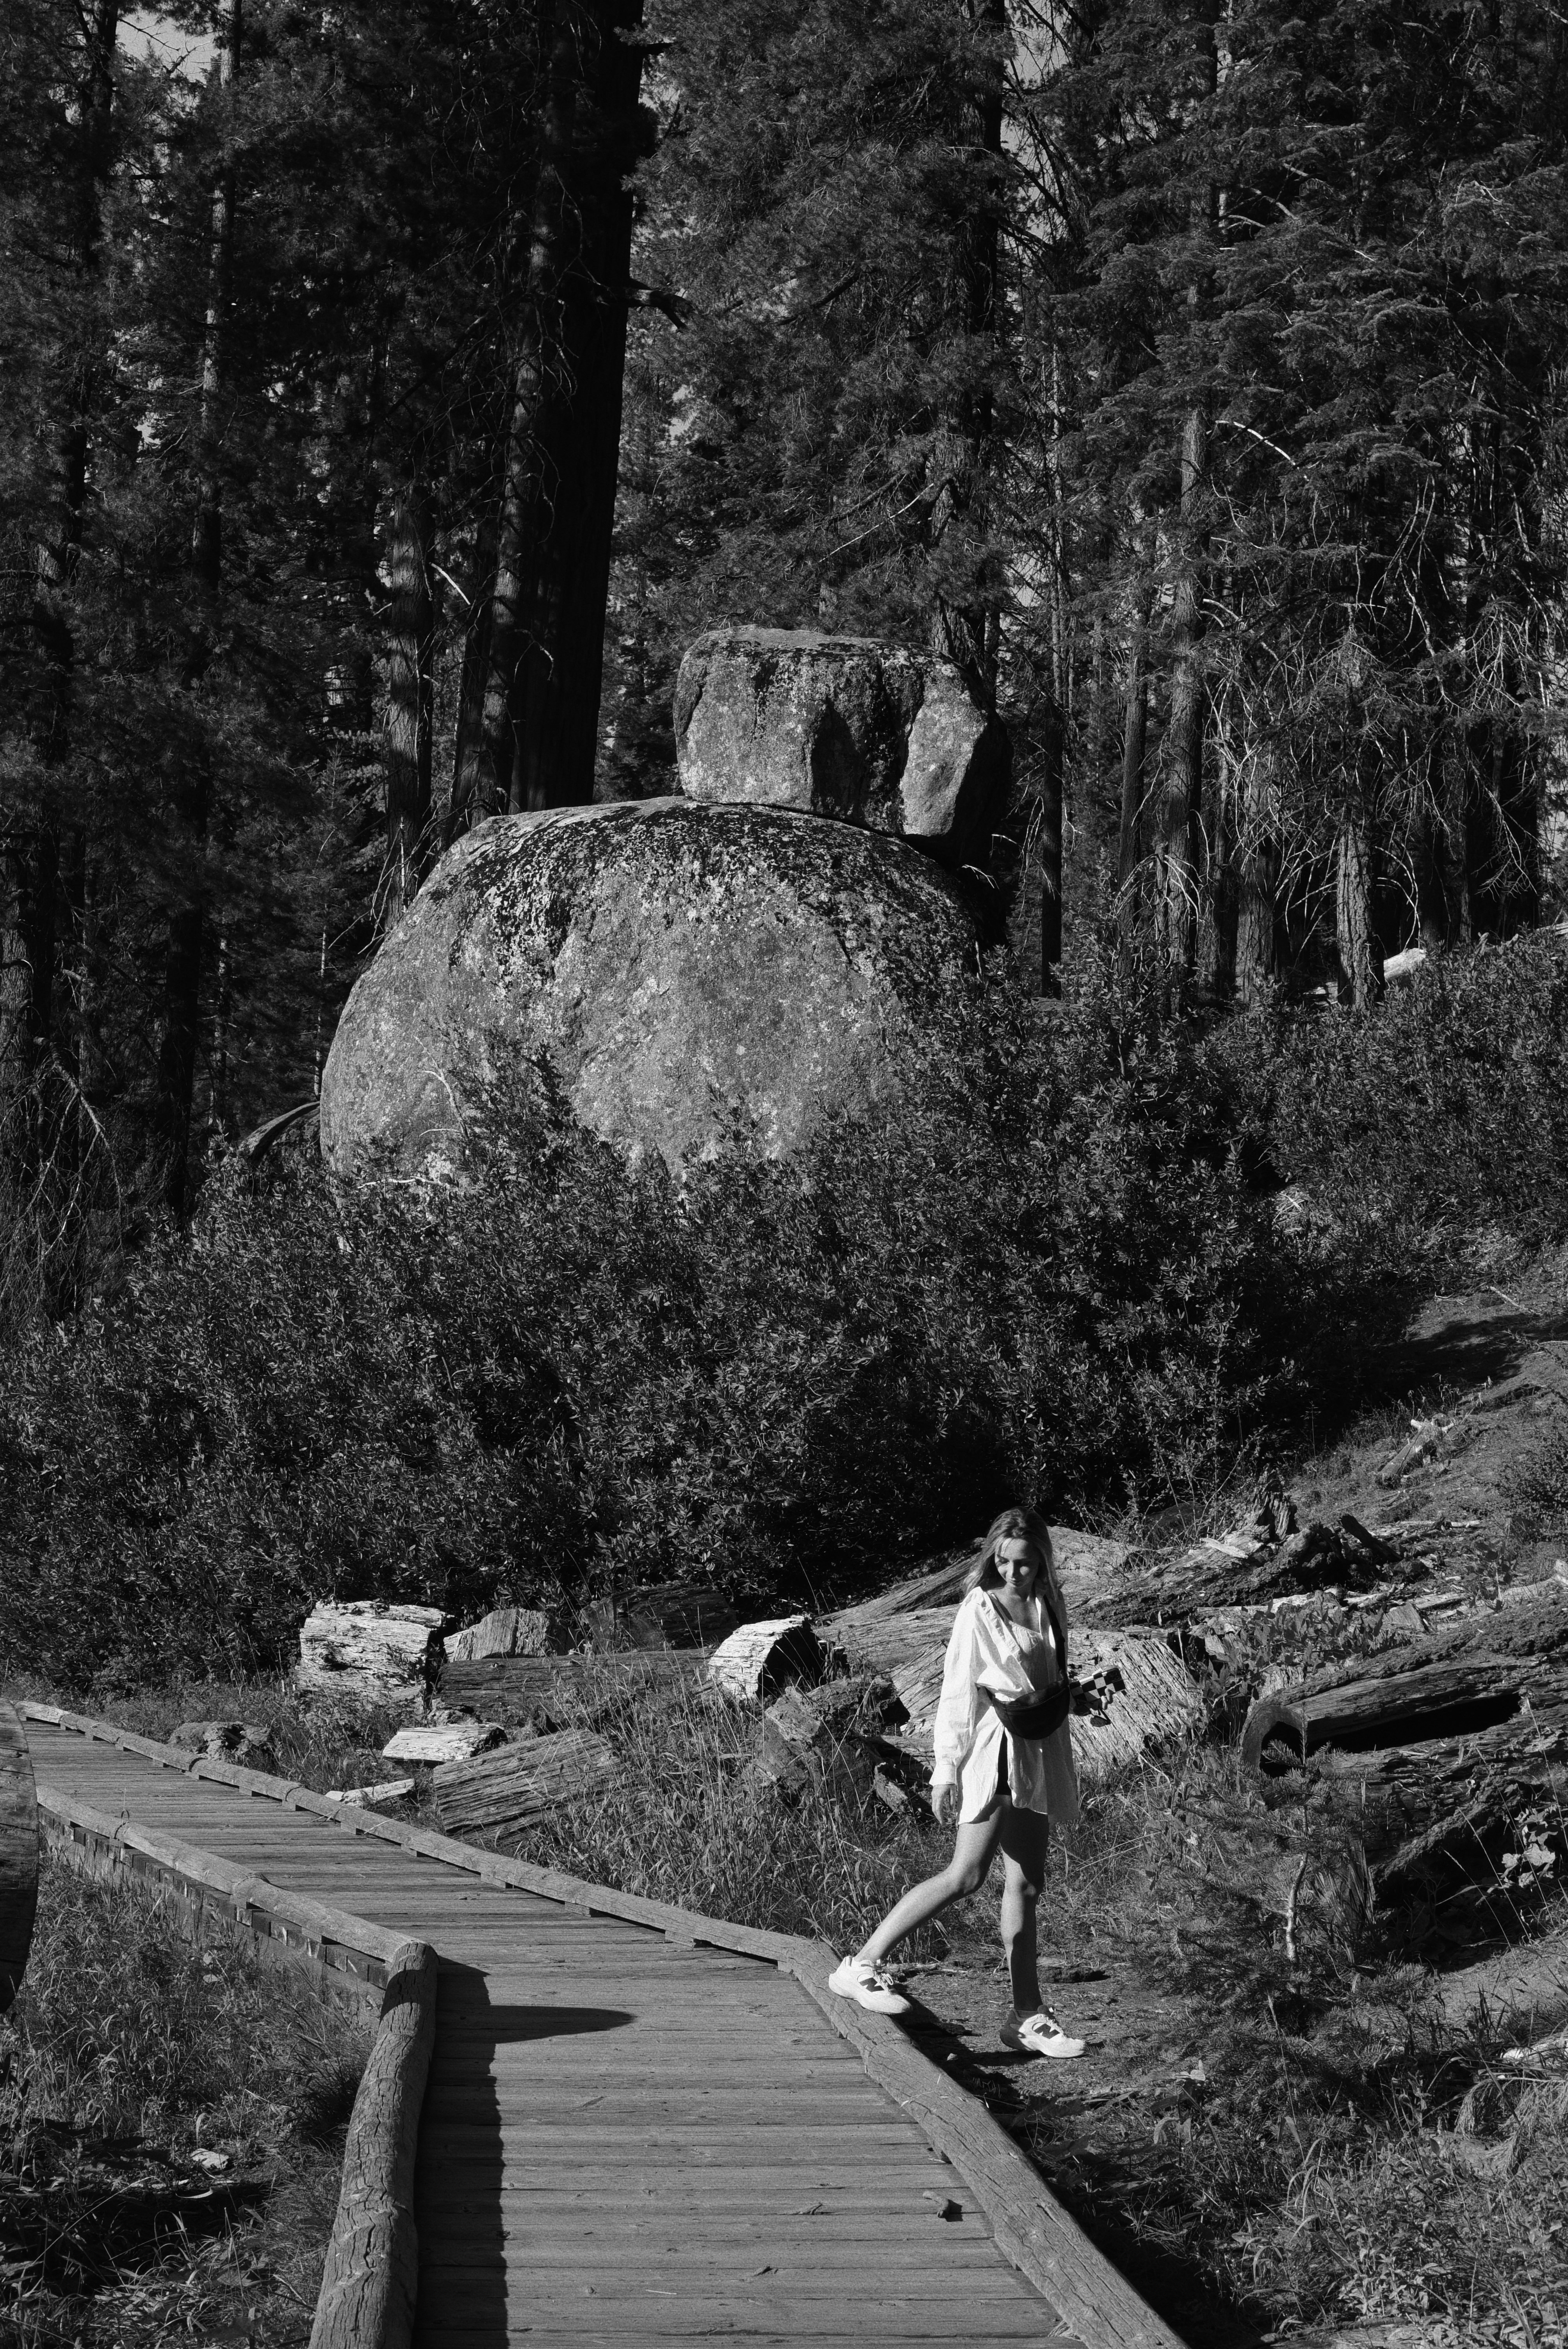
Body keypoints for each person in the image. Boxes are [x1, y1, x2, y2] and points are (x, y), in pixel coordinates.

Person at [827, 1505, 1086, 2059]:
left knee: (1027, 1886)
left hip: (1037, 1751)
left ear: (1042, 1559)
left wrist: (1075, 1695)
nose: (1014, 1572)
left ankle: (1027, 2015)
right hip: (994, 1752)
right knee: (966, 1874)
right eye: (1005, 1561)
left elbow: (1048, 1672)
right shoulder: (979, 1607)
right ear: (994, 1557)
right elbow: (957, 1693)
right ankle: (860, 1965)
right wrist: (945, 1772)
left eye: (1025, 1563)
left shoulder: (1048, 1603)